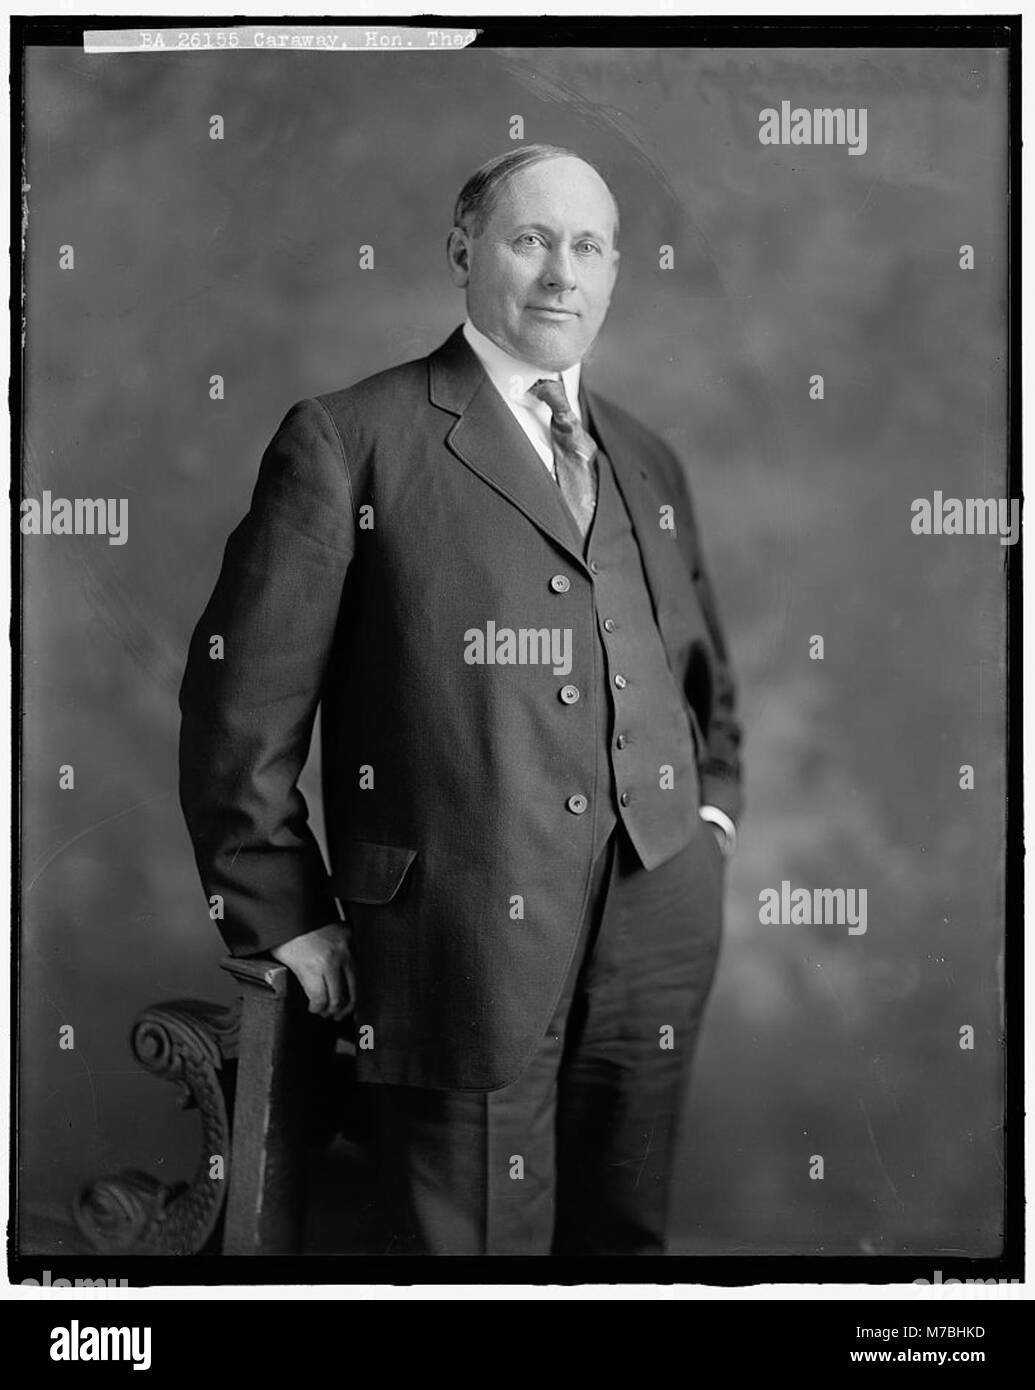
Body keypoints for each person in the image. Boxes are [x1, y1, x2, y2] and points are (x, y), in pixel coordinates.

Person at [179, 144, 744, 1255]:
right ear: (463, 253)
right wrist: (281, 911)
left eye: (587, 247)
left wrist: (711, 816)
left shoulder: (643, 455)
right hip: (457, 940)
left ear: (617, 271)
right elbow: (235, 706)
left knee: (624, 1245)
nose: (559, 275)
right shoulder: (347, 440)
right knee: (474, 1257)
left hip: (661, 918)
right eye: (531, 239)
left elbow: (703, 676)